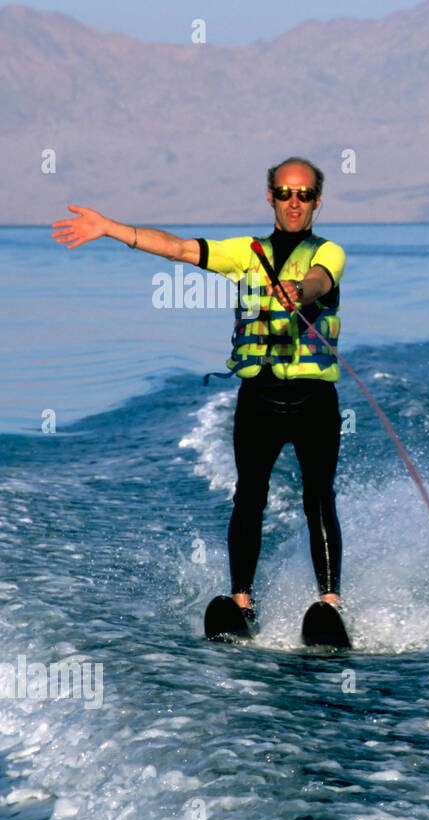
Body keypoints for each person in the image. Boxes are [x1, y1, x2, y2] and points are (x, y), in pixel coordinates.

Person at [52, 157, 347, 623]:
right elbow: (177, 249)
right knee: (249, 496)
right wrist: (112, 228)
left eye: (305, 194)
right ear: (270, 196)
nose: (295, 202)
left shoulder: (328, 252)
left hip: (315, 402)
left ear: (317, 202)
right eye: (286, 192)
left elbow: (320, 280)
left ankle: (330, 605)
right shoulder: (245, 253)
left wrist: (300, 291)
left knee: (317, 498)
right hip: (259, 400)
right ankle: (242, 603)